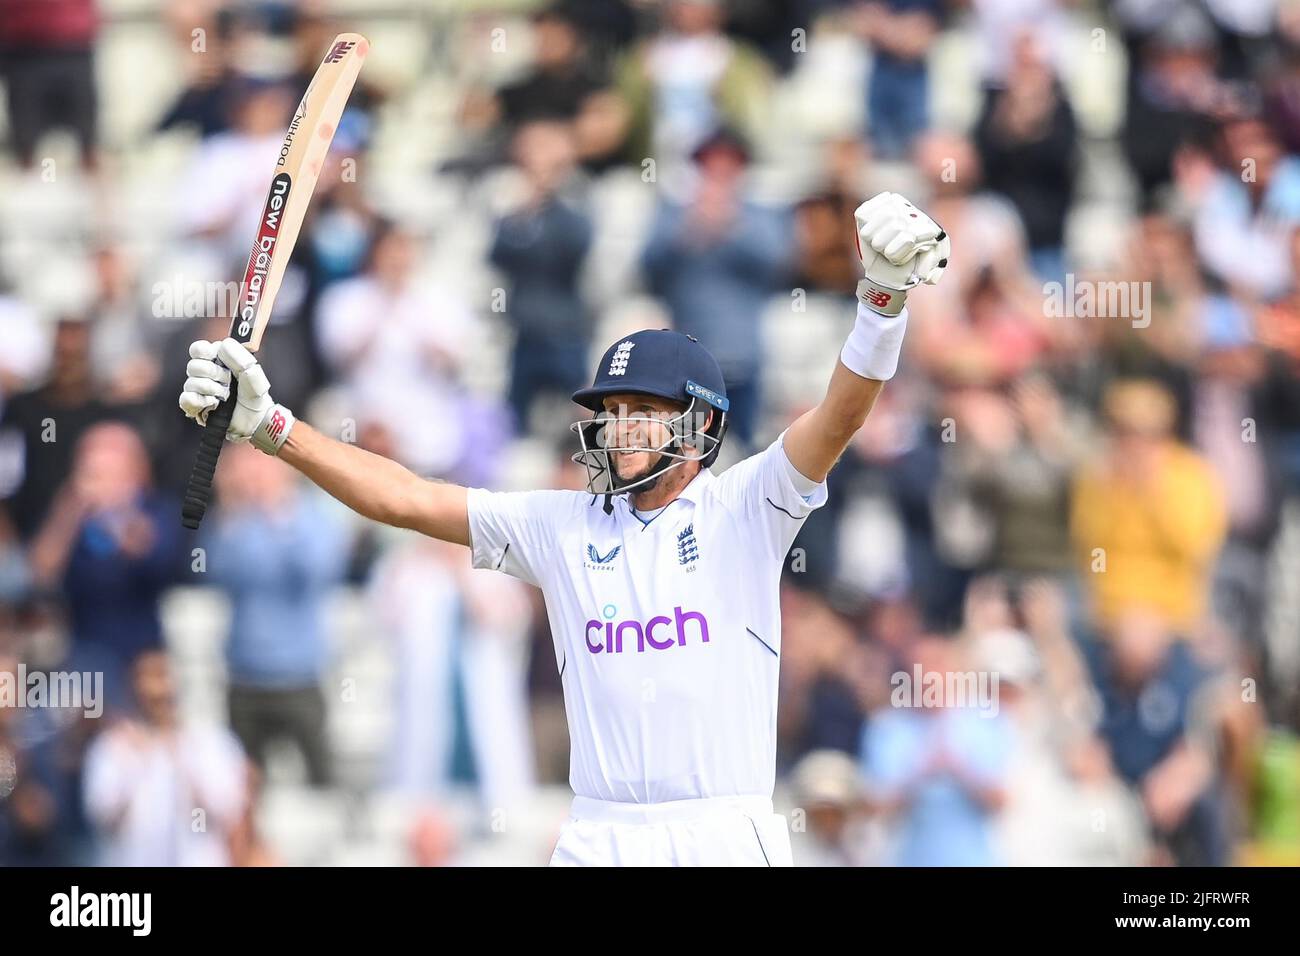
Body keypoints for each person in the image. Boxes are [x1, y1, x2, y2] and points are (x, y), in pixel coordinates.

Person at [177, 191, 949, 866]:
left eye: (642, 411)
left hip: (721, 829)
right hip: (600, 834)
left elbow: (840, 417)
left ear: (701, 422)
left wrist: (880, 304)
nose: (620, 431)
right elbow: (405, 499)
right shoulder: (563, 526)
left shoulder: (748, 506)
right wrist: (275, 427)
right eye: (611, 414)